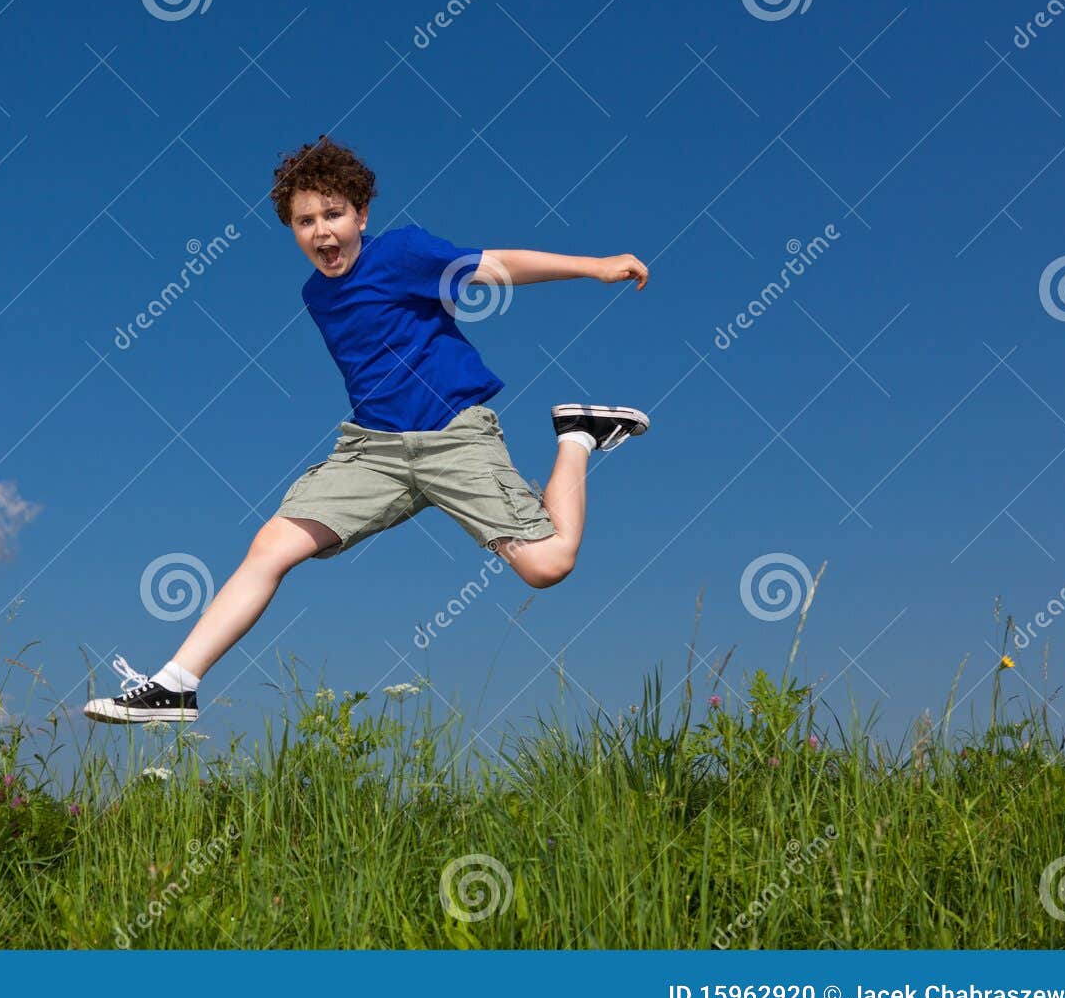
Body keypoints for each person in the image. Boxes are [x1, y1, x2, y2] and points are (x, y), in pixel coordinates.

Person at [84, 135, 649, 723]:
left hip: (452, 435)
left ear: (362, 215)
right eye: (306, 221)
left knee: (547, 566)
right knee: (271, 547)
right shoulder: (316, 294)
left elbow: (497, 264)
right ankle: (176, 685)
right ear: (292, 229)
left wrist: (595, 267)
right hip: (373, 451)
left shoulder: (403, 253)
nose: (322, 232)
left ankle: (578, 435)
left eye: (334, 214)